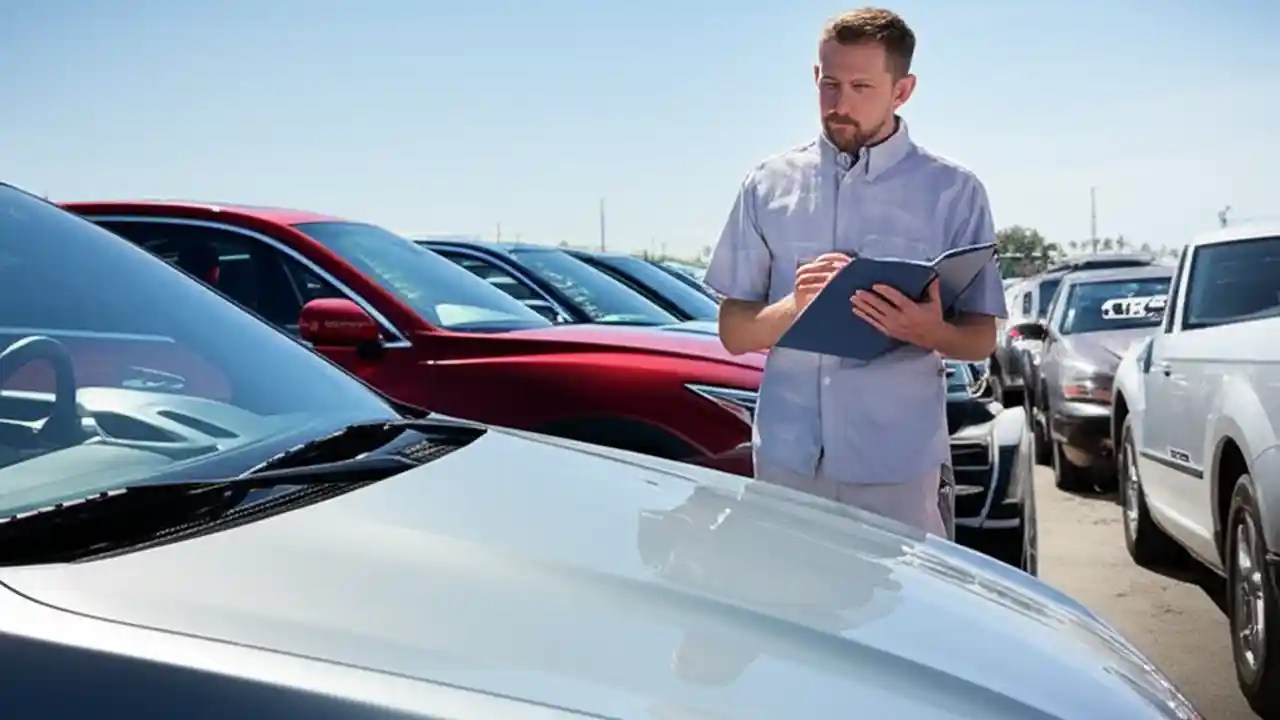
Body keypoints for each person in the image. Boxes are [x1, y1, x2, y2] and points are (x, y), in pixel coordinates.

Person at [704, 7, 1007, 537]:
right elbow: (733, 333)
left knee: (904, 618)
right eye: (829, 83)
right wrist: (796, 305)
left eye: (862, 85)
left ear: (903, 90)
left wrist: (928, 332)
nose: (839, 104)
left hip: (898, 469)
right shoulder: (767, 185)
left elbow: (981, 337)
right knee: (790, 614)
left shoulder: (953, 193)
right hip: (787, 464)